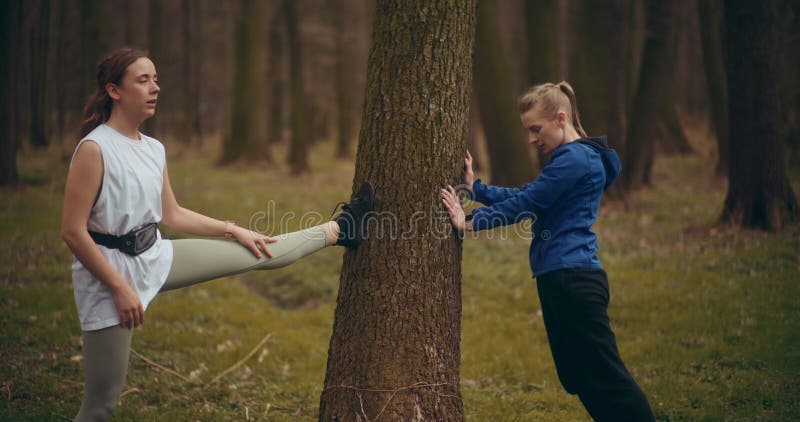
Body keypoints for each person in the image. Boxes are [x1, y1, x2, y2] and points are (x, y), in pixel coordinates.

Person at [61, 48, 374, 421]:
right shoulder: (95, 148)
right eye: (143, 80)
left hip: (154, 255)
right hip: (107, 276)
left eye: (156, 79)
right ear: (114, 90)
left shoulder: (154, 149)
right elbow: (73, 232)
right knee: (101, 405)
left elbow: (172, 214)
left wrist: (232, 230)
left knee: (258, 253)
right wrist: (118, 287)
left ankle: (342, 229)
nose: (155, 88)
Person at [440, 82, 654, 421]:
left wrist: (468, 223)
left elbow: (529, 202)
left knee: (606, 377)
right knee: (580, 378)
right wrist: (475, 189)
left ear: (560, 118)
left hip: (573, 279)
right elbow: (529, 194)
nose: (531, 139)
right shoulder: (572, 160)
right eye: (528, 130)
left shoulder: (575, 159)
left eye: (535, 129)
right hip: (562, 278)